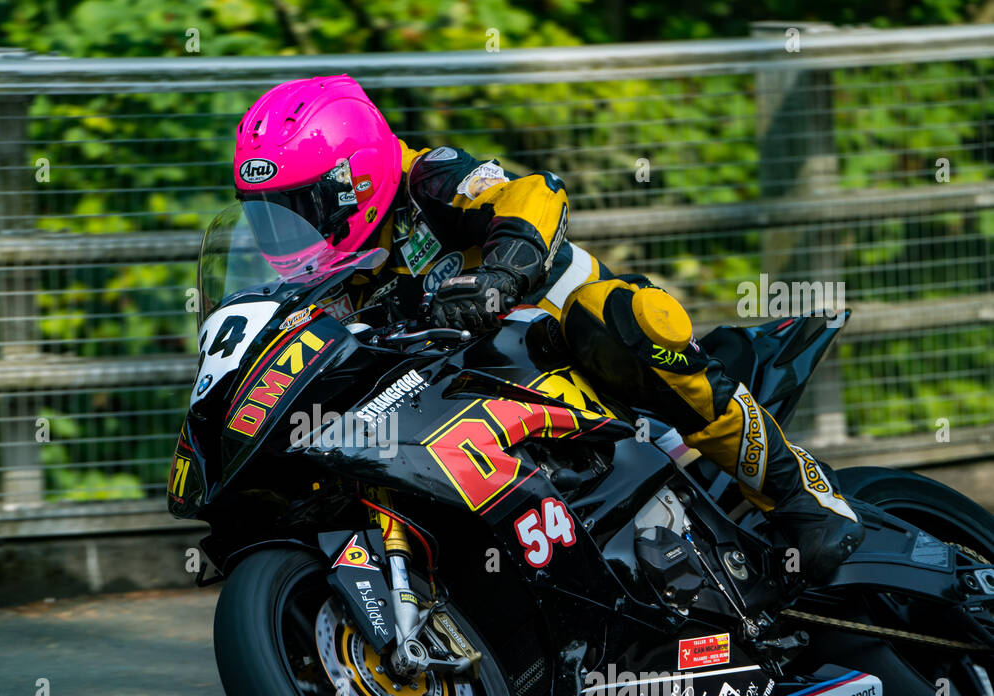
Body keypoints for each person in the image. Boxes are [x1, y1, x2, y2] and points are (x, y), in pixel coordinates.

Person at [231, 74, 864, 583]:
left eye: (300, 212)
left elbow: (536, 191)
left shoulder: (431, 179)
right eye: (267, 217)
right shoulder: (331, 275)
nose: (283, 237)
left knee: (618, 316)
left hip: (577, 359)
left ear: (355, 182)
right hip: (471, 402)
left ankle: (801, 496)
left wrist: (501, 274)